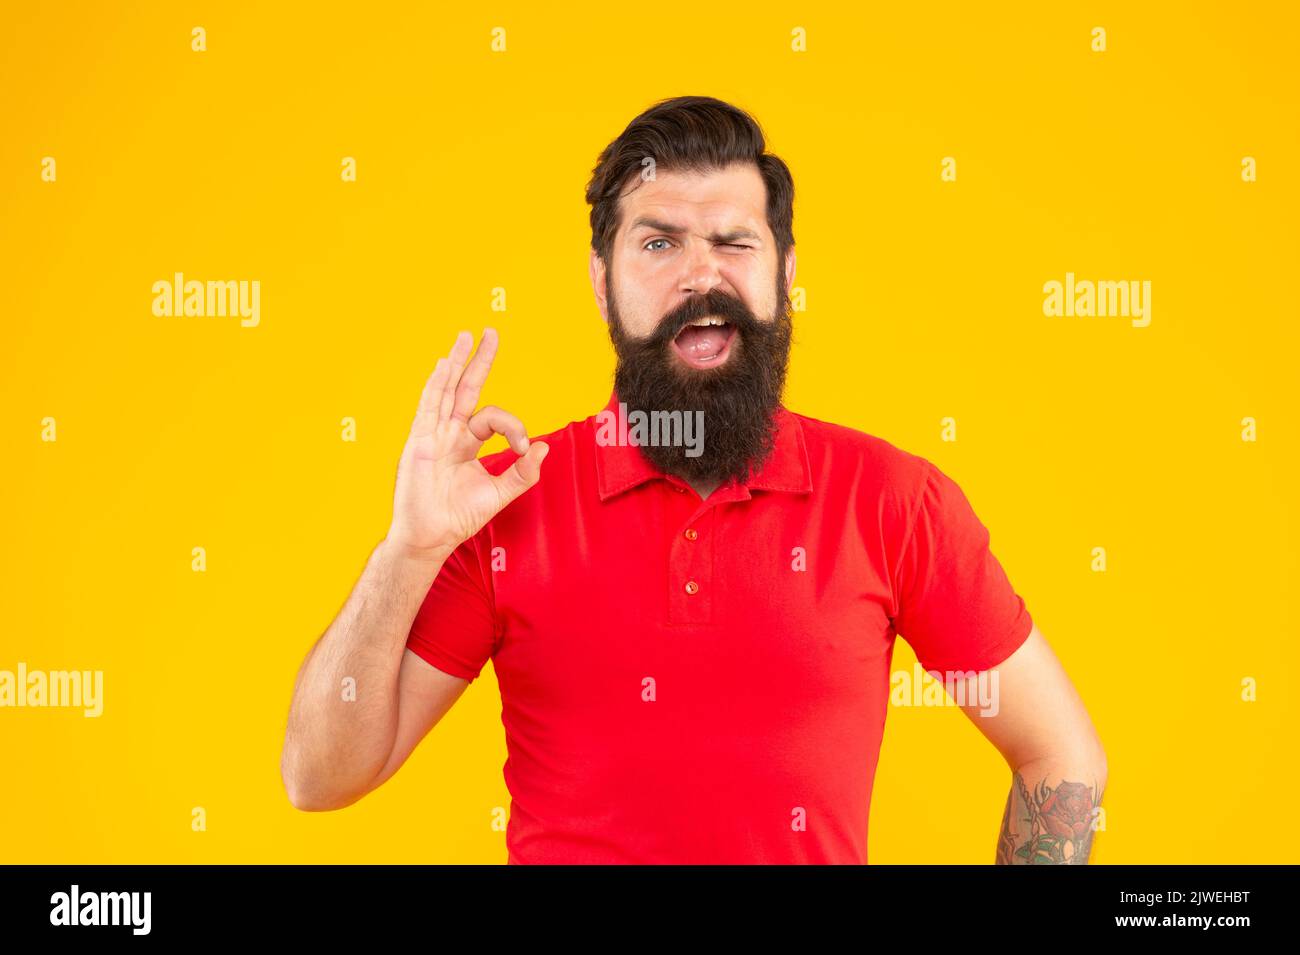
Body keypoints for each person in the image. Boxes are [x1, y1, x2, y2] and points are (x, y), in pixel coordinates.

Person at [281, 95, 1107, 865]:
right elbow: (318, 778)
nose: (699, 276)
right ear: (602, 283)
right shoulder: (504, 504)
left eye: (734, 242)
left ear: (785, 272)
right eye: (658, 242)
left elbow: (1060, 755)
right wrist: (408, 549)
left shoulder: (893, 501)